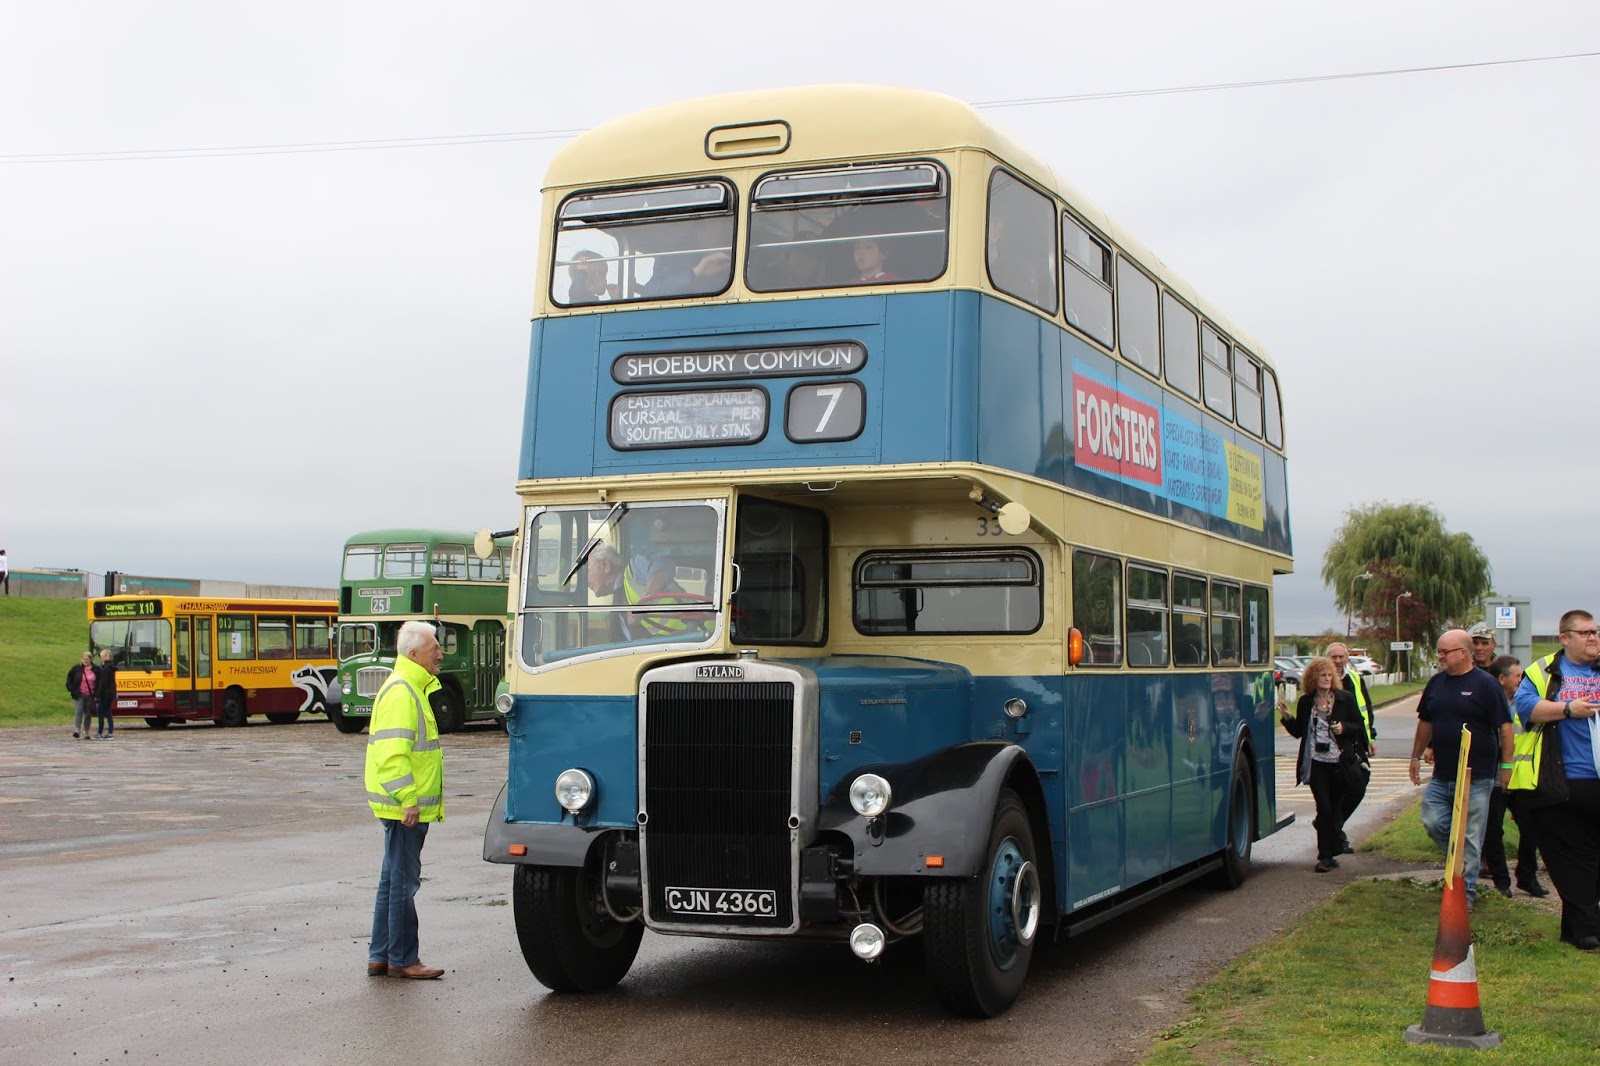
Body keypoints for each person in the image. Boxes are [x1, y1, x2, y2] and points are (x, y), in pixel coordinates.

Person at [1513, 609, 1600, 951]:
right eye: (1585, 632)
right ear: (1565, 637)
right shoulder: (1543, 670)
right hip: (1558, 780)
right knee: (1570, 857)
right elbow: (1526, 708)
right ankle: (1587, 930)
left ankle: (1576, 928)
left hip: (1596, 779)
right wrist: (1567, 709)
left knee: (1591, 857)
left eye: (1595, 632)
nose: (1593, 638)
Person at [1407, 629, 1515, 905]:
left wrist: (1506, 766)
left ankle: (1464, 897)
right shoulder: (1436, 683)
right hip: (1442, 774)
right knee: (1433, 821)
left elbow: (1505, 727)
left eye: (1445, 652)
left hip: (1476, 776)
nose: (1440, 657)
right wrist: (1416, 756)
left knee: (1471, 834)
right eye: (1439, 652)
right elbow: (1426, 721)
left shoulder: (1486, 685)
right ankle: (1461, 859)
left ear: (1463, 654)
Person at [365, 620, 447, 980]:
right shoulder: (403, 691)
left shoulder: (407, 687)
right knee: (403, 884)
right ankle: (403, 958)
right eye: (434, 649)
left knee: (392, 881)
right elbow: (392, 755)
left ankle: (381, 955)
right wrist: (408, 798)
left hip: (400, 805)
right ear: (414, 654)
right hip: (404, 807)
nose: (440, 655)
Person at [1279, 656, 1367, 873]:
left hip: (1340, 762)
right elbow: (1299, 731)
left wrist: (1343, 728)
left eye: (1329, 675)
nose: (1327, 679)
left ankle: (1331, 843)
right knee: (1324, 807)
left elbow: (1358, 725)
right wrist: (1287, 717)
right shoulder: (1306, 702)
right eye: (1322, 675)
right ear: (1313, 678)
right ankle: (1325, 857)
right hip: (1317, 763)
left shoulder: (1345, 699)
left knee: (1334, 808)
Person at [1483, 654, 1548, 896]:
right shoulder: (1488, 703)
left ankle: (1527, 877)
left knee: (1531, 828)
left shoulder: (1525, 702)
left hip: (1520, 777)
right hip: (1493, 777)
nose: (1522, 680)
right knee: (1493, 831)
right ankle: (1501, 882)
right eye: (1518, 676)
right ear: (1502, 679)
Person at [1325, 642, 1375, 852]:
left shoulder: (1354, 678)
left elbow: (1366, 709)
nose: (1338, 661)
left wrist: (1370, 737)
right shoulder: (1322, 679)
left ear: (1347, 658)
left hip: (1355, 740)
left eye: (1341, 657)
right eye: (1334, 657)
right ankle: (1334, 835)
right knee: (1334, 791)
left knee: (1359, 784)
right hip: (1329, 745)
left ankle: (1334, 825)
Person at [585, 541, 685, 641]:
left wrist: (646, 601)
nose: (585, 580)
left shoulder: (634, 569)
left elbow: (664, 564)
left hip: (689, 635)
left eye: (587, 570)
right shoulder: (614, 613)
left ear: (605, 565)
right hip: (665, 645)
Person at [64, 651, 97, 740]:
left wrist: (97, 693)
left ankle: (86, 732)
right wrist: (71, 689)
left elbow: (100, 680)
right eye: (84, 659)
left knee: (88, 714)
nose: (85, 661)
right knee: (79, 711)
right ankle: (77, 730)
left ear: (91, 660)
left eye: (87, 659)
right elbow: (69, 678)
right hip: (78, 694)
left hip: (90, 695)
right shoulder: (76, 668)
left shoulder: (96, 669)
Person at [93, 648, 118, 740]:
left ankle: (100, 732)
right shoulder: (111, 667)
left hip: (105, 694)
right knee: (108, 712)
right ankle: (110, 732)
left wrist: (97, 695)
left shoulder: (105, 669)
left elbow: (102, 683)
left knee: (100, 712)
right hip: (111, 693)